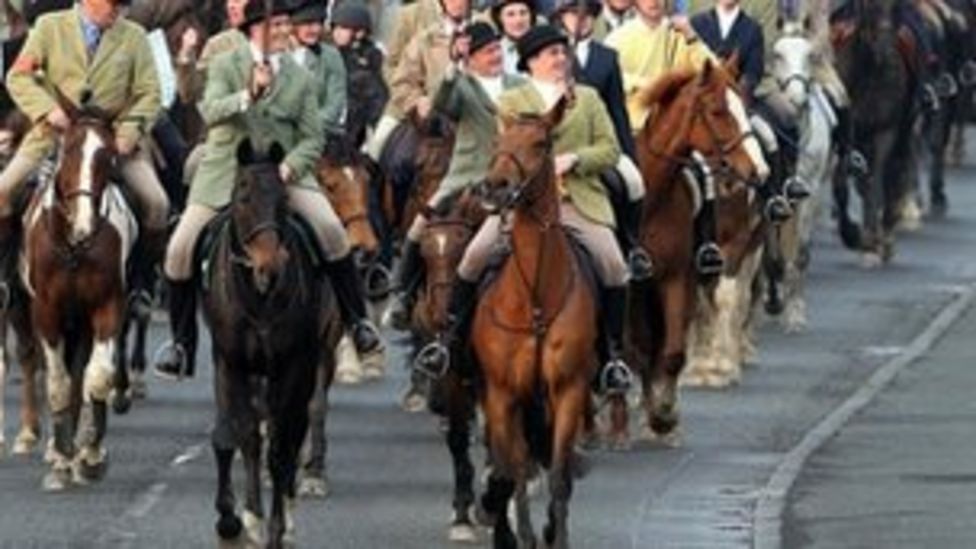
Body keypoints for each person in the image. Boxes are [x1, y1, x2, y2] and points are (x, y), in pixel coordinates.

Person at [153, 0, 383, 380]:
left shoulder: (299, 77)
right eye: (272, 25)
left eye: (282, 25)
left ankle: (358, 324)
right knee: (179, 249)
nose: (280, 32)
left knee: (331, 232)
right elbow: (210, 111)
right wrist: (248, 95)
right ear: (251, 30)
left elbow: (312, 136)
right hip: (227, 172)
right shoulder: (227, 64)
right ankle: (181, 343)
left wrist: (292, 164)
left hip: (284, 175)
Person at [416, 24, 634, 395]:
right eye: (551, 54)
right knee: (472, 258)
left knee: (614, 265)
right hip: (522, 207)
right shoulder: (514, 103)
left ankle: (611, 356)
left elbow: (610, 149)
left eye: (562, 53)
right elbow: (504, 153)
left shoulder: (589, 98)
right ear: (531, 63)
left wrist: (575, 159)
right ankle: (449, 342)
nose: (560, 59)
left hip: (578, 200)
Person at [0, 0, 169, 294]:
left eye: (123, 5)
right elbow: (18, 77)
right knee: (2, 191)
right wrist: (47, 109)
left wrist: (129, 131)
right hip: (52, 137)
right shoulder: (48, 27)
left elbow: (150, 92)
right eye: (113, 4)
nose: (120, 11)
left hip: (113, 142)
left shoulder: (135, 36)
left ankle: (141, 283)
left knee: (157, 203)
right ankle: (6, 280)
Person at [386, 21, 524, 329]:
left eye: (496, 49)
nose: (495, 56)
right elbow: (441, 105)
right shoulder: (461, 84)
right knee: (421, 223)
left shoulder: (518, 85)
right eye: (488, 52)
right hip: (466, 174)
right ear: (471, 57)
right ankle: (403, 293)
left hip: (508, 177)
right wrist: (452, 66)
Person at [605, 0, 728, 273]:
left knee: (705, 173)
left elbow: (714, 72)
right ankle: (623, 243)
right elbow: (609, 75)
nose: (655, 3)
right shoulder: (618, 38)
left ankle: (705, 244)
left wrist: (692, 37)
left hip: (675, 129)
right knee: (617, 181)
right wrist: (647, 84)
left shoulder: (678, 35)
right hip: (633, 127)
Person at [552, 0, 652, 279]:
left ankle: (631, 245)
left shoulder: (607, 56)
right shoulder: (553, 54)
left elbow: (617, 109)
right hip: (560, 144)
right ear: (563, 18)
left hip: (599, 140)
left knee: (632, 183)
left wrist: (627, 153)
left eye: (586, 16)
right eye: (573, 15)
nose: (580, 22)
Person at [365, 0, 469, 161]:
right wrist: (415, 100)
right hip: (412, 102)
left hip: (466, 109)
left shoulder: (481, 23)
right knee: (377, 146)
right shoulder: (412, 16)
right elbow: (392, 64)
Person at [330, 1, 388, 149]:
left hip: (356, 132)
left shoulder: (372, 58)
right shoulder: (328, 55)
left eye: (343, 28)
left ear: (360, 32)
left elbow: (378, 102)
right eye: (335, 27)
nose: (337, 32)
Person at [290, 0, 346, 139]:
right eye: (308, 24)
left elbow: (335, 103)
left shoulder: (331, 56)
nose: (315, 29)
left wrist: (307, 127)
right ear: (293, 25)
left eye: (318, 23)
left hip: (318, 134)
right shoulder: (277, 54)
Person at [490, 0, 537, 73]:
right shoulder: (493, 52)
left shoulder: (544, 47)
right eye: (510, 14)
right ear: (499, 19)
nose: (518, 20)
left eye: (523, 13)